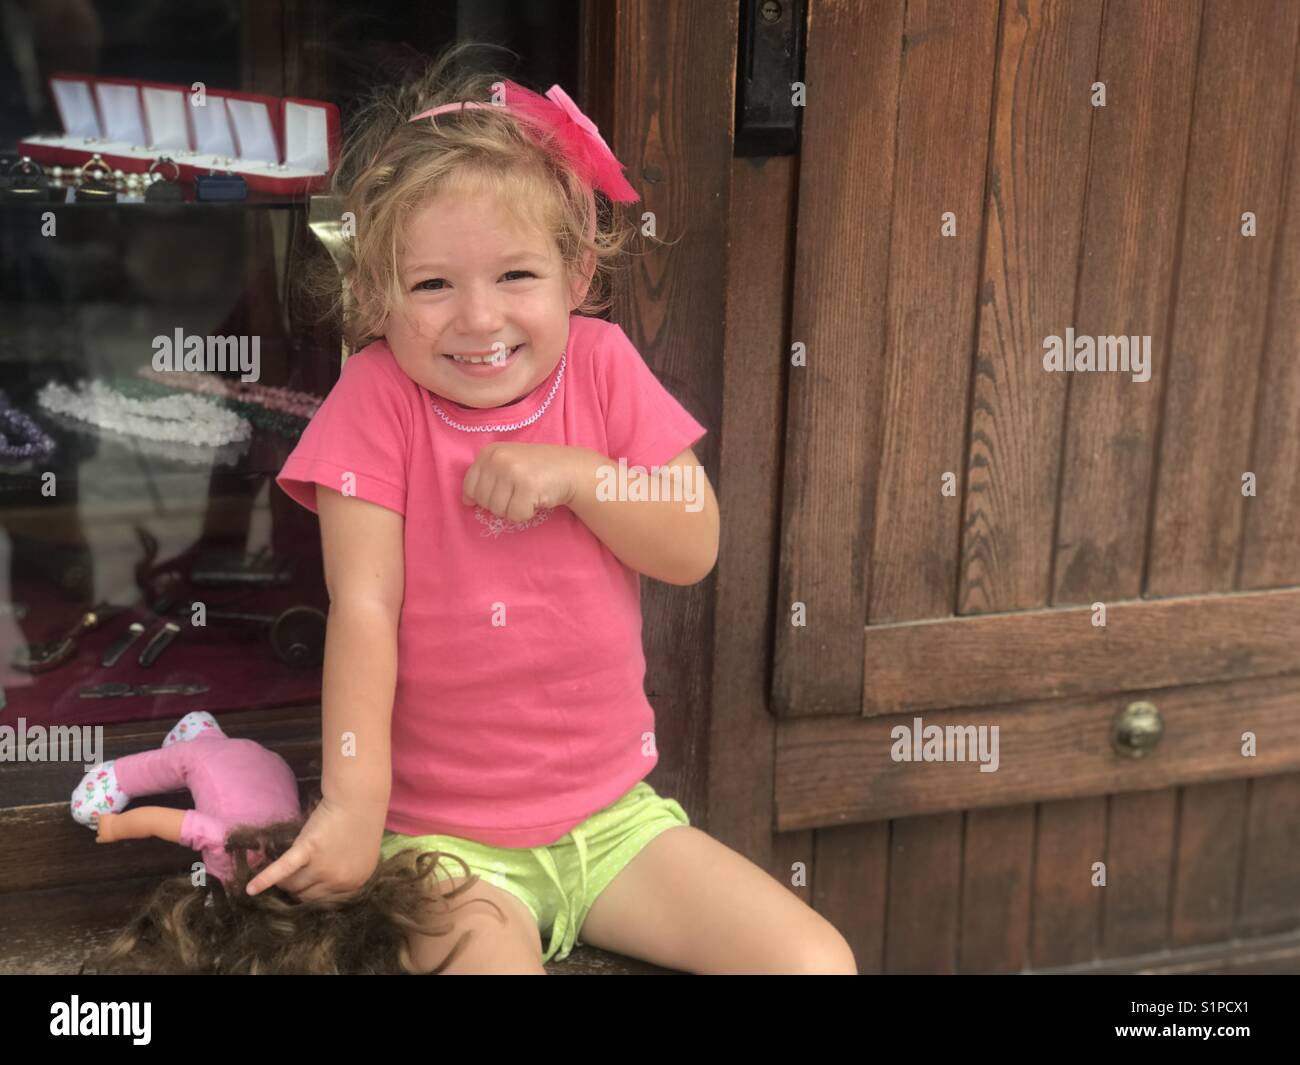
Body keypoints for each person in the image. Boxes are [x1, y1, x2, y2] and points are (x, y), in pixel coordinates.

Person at [254, 42, 856, 975]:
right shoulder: (377, 400)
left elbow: (693, 543)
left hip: (614, 824)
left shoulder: (604, 365)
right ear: (378, 295)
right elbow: (363, 610)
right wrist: (350, 809)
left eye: (516, 276)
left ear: (575, 277)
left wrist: (583, 475)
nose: (479, 318)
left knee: (814, 962)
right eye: (432, 285)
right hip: (444, 846)